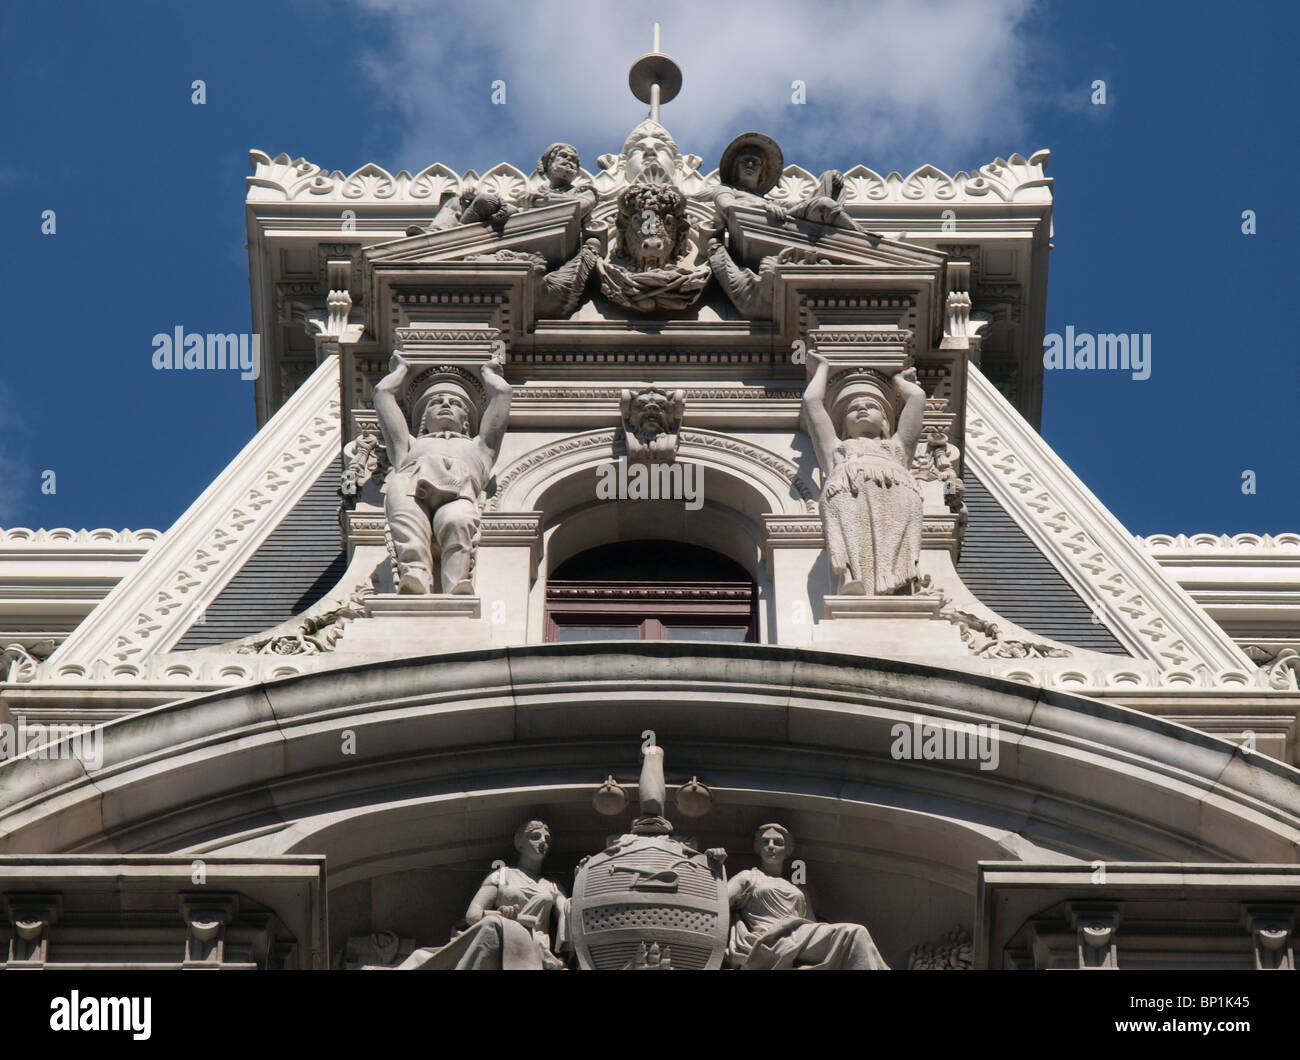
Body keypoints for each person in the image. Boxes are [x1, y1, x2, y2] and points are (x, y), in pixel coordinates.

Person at [373, 349, 511, 594]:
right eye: (436, 403)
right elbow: (382, 395)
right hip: (411, 485)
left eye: (455, 403)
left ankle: (455, 585)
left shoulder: (480, 447)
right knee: (409, 530)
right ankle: (415, 577)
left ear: (466, 420)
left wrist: (489, 374)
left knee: (458, 522)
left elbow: (502, 396)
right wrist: (401, 371)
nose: (445, 404)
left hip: (460, 490)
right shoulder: (409, 446)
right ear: (425, 419)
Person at [802, 354, 925, 595]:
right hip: (849, 494)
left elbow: (917, 399)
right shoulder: (837, 450)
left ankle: (892, 583)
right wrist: (823, 369)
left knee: (894, 544)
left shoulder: (897, 449)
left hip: (896, 497)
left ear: (884, 421)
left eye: (870, 406)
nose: (861, 410)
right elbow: (812, 402)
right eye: (853, 409)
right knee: (852, 540)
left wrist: (898, 379)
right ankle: (853, 582)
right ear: (843, 423)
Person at [397, 820, 571, 970]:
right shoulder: (502, 876)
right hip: (503, 936)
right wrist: (503, 915)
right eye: (535, 836)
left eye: (547, 839)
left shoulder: (552, 885)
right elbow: (473, 915)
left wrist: (584, 874)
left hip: (534, 945)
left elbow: (570, 910)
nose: (543, 842)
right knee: (492, 924)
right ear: (520, 843)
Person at [725, 823, 889, 969]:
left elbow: (812, 924)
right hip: (771, 938)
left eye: (778, 843)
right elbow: (719, 900)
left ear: (788, 851)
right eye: (765, 842)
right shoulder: (749, 876)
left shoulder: (799, 889)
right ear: (757, 847)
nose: (771, 846)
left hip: (801, 935)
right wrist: (712, 863)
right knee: (854, 933)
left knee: (855, 935)